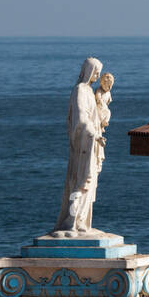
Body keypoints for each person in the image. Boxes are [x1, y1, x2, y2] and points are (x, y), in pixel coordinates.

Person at [54, 57, 104, 234]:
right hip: (84, 142)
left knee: (89, 183)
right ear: (89, 71)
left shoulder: (90, 91)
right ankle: (72, 221)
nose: (98, 75)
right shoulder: (80, 90)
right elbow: (81, 117)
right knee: (82, 180)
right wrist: (94, 132)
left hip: (93, 142)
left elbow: (95, 117)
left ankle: (82, 220)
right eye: (96, 71)